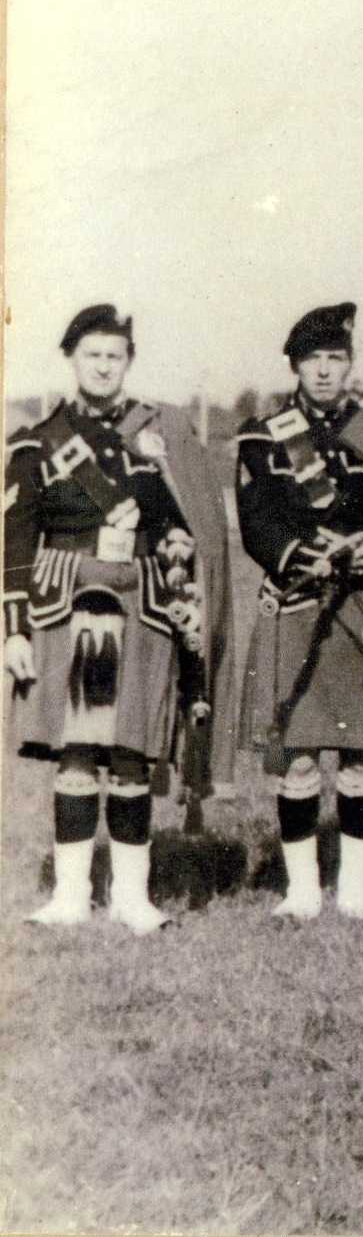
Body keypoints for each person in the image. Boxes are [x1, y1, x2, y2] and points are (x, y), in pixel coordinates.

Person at [235, 304, 363, 921]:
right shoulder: (263, 436)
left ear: (350, 364)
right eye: (313, 359)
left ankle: (355, 890)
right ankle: (301, 891)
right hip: (298, 601)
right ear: (295, 366)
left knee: (359, 755)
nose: (324, 371)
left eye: (336, 358)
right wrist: (308, 558)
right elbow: (257, 524)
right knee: (298, 754)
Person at [5, 306, 203, 934]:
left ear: (128, 362)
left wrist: (175, 541)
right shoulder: (36, 443)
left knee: (130, 752)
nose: (103, 366)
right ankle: (70, 896)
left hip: (141, 603)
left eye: (114, 355)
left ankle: (131, 897)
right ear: (72, 359)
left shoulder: (157, 436)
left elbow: (180, 518)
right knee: (75, 750)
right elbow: (15, 542)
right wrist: (14, 630)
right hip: (68, 602)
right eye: (91, 354)